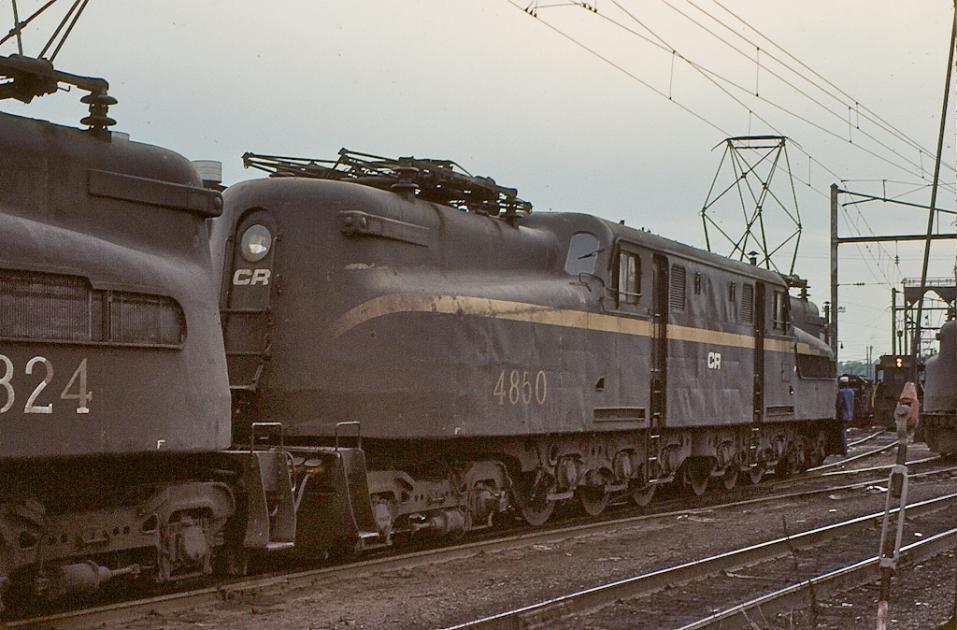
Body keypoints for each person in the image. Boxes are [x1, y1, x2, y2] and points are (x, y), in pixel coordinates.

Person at [837, 376, 855, 454]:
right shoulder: (851, 392)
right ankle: (845, 449)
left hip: (843, 415)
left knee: (843, 432)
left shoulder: (841, 392)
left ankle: (844, 450)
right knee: (845, 431)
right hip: (850, 414)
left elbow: (839, 404)